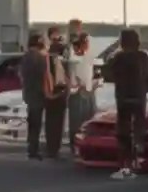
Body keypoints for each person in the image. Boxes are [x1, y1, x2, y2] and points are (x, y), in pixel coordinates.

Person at [108, 29, 148, 179]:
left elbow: (108, 73)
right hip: (139, 97)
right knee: (139, 128)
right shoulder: (144, 56)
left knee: (124, 131)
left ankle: (125, 165)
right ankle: (137, 160)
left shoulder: (118, 57)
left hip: (123, 97)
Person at [19, 32, 50, 161]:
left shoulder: (25, 57)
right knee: (36, 122)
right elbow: (45, 75)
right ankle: (34, 149)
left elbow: (21, 74)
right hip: (38, 93)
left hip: (29, 92)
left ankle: (31, 147)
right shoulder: (40, 58)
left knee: (32, 121)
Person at [66, 32, 98, 150]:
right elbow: (72, 75)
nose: (88, 45)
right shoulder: (74, 59)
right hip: (78, 92)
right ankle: (74, 145)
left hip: (89, 91)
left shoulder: (89, 58)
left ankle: (88, 144)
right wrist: (78, 85)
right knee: (76, 120)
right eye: (86, 42)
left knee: (89, 118)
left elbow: (92, 74)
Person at [43, 26, 69, 158]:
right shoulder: (58, 50)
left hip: (53, 89)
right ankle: (53, 147)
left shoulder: (47, 51)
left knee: (52, 120)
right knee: (56, 120)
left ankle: (52, 147)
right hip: (57, 89)